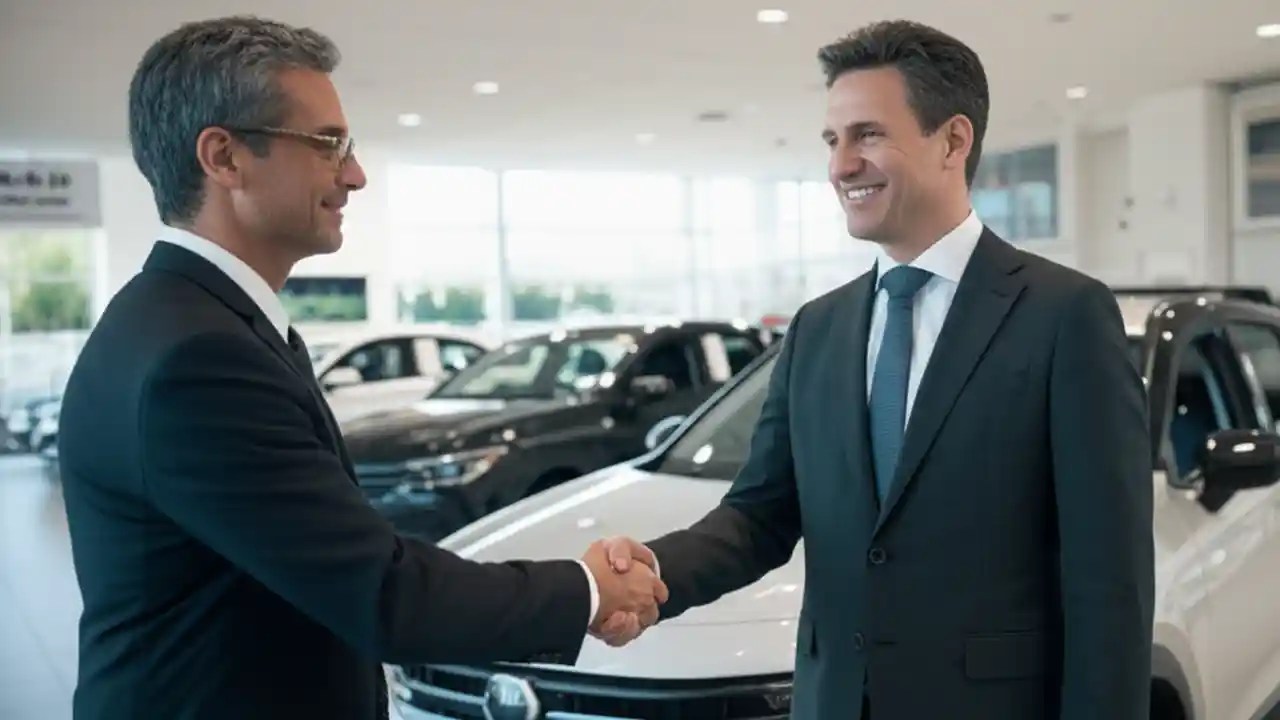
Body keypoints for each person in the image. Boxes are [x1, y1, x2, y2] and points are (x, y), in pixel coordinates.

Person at [57, 16, 664, 720]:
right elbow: (385, 595)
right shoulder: (198, 359)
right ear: (224, 157)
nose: (355, 174)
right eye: (328, 145)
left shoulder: (182, 320)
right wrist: (588, 590)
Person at [590, 19, 1154, 720]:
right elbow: (761, 515)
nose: (840, 166)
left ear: (953, 141)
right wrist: (653, 571)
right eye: (833, 140)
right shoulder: (817, 329)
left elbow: (1110, 582)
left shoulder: (1064, 315)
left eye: (868, 135)